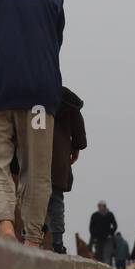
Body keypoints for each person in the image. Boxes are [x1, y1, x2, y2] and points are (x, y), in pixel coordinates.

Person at [0, 0, 66, 248]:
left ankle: (5, 227)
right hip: (38, 96)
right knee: (36, 168)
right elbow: (56, 39)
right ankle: (33, 241)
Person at [46, 86, 86, 253]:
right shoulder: (70, 103)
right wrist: (75, 148)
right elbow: (79, 135)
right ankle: (57, 242)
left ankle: (33, 238)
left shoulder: (37, 92)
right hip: (60, 157)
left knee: (34, 197)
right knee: (56, 200)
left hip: (37, 152)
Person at [88, 201, 118, 266]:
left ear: (104, 206)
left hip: (108, 239)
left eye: (100, 206)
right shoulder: (94, 215)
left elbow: (115, 225)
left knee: (107, 256)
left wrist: (110, 233)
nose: (99, 207)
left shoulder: (110, 214)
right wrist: (94, 237)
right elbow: (91, 228)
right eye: (98, 206)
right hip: (98, 240)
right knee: (99, 257)